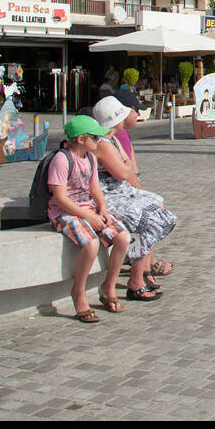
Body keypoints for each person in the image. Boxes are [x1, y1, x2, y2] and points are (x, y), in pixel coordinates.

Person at [46, 115, 132, 322]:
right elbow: (59, 198)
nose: (99, 141)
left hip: (88, 208)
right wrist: (88, 216)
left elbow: (94, 188)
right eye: (95, 137)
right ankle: (78, 292)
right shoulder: (62, 159)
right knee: (91, 244)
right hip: (64, 212)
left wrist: (102, 209)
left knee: (122, 237)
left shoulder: (91, 158)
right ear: (81, 139)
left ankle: (108, 286)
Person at [91, 96, 177, 299]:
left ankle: (142, 272)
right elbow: (123, 172)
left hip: (120, 192)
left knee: (156, 205)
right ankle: (137, 279)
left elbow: (126, 164)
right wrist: (125, 164)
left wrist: (125, 164)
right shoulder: (103, 143)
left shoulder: (112, 139)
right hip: (109, 197)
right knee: (145, 219)